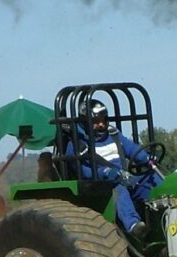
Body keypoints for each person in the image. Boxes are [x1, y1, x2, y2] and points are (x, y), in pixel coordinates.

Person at [67, 99, 159, 238]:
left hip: (125, 178)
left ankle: (167, 218)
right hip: (103, 185)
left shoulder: (113, 134)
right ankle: (134, 226)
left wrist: (146, 158)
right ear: (86, 122)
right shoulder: (77, 145)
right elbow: (85, 171)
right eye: (96, 121)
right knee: (118, 189)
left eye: (104, 120)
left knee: (151, 179)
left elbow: (131, 149)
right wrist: (108, 172)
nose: (101, 124)